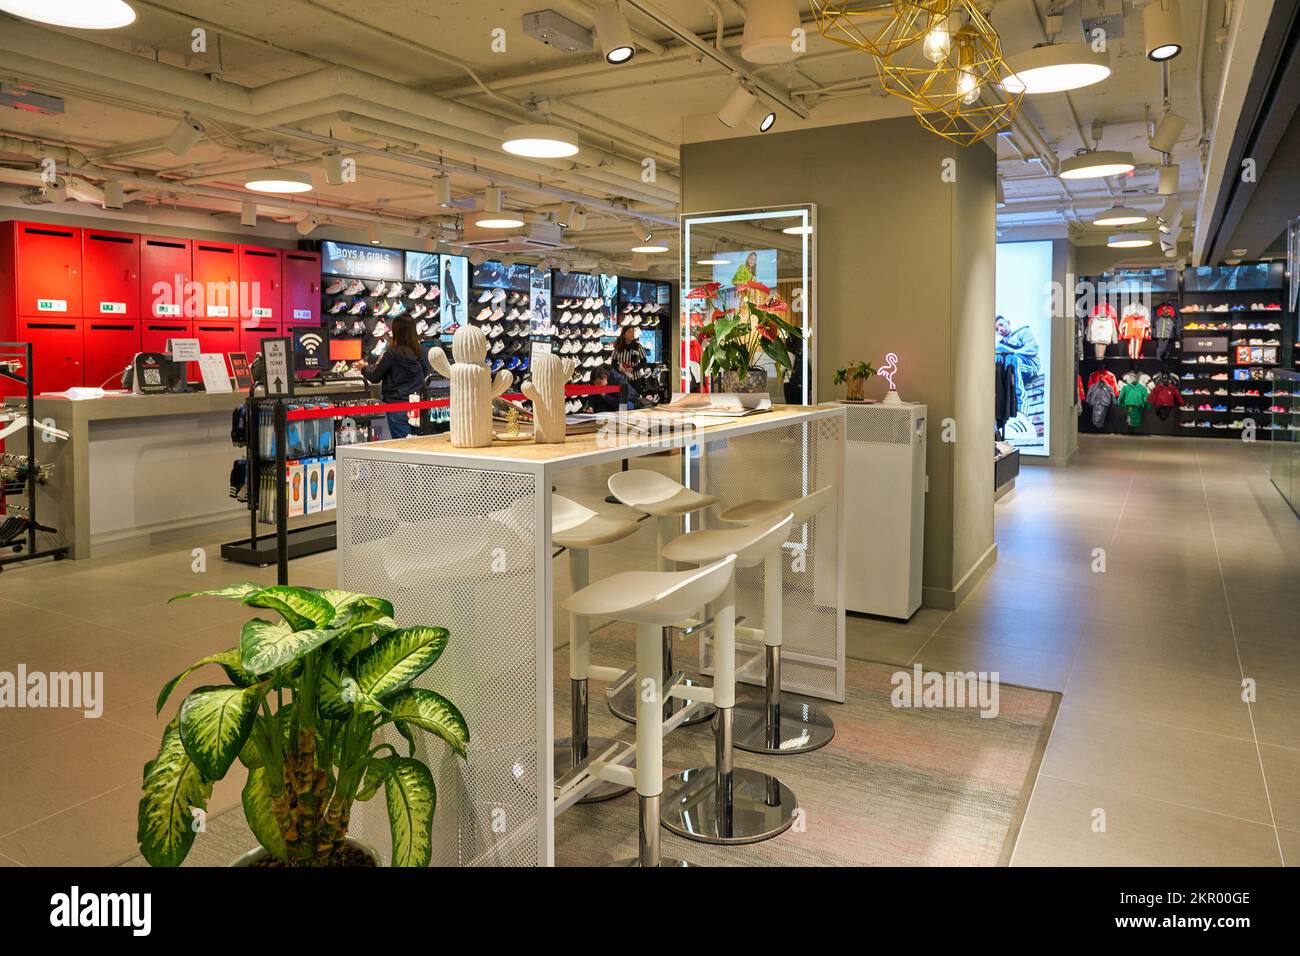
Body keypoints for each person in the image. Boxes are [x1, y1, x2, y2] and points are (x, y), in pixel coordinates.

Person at [356, 313, 431, 439]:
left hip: (396, 405)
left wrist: (363, 368)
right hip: (417, 404)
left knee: (401, 447)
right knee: (418, 445)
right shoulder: (423, 351)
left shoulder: (392, 353)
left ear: (397, 331)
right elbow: (425, 377)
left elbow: (375, 377)